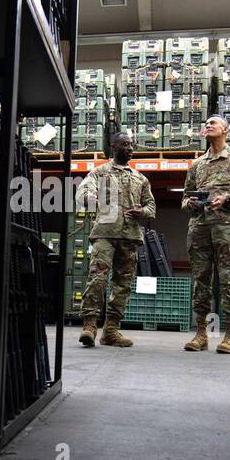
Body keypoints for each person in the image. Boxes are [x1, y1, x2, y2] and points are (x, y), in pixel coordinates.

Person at [181, 115, 230, 354]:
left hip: (227, 229)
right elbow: (184, 198)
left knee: (228, 280)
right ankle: (201, 334)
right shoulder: (197, 165)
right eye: (206, 124)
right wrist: (191, 203)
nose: (208, 125)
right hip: (199, 228)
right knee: (200, 282)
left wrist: (227, 199)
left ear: (225, 129)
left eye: (213, 123)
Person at [77, 131, 156, 348]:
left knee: (123, 285)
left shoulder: (141, 178)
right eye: (124, 145)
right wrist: (95, 199)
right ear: (113, 147)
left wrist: (143, 211)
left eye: (131, 145)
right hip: (105, 233)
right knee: (97, 279)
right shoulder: (99, 173)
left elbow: (151, 206)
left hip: (130, 237)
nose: (130, 148)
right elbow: (83, 193)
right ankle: (90, 326)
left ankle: (111, 330)